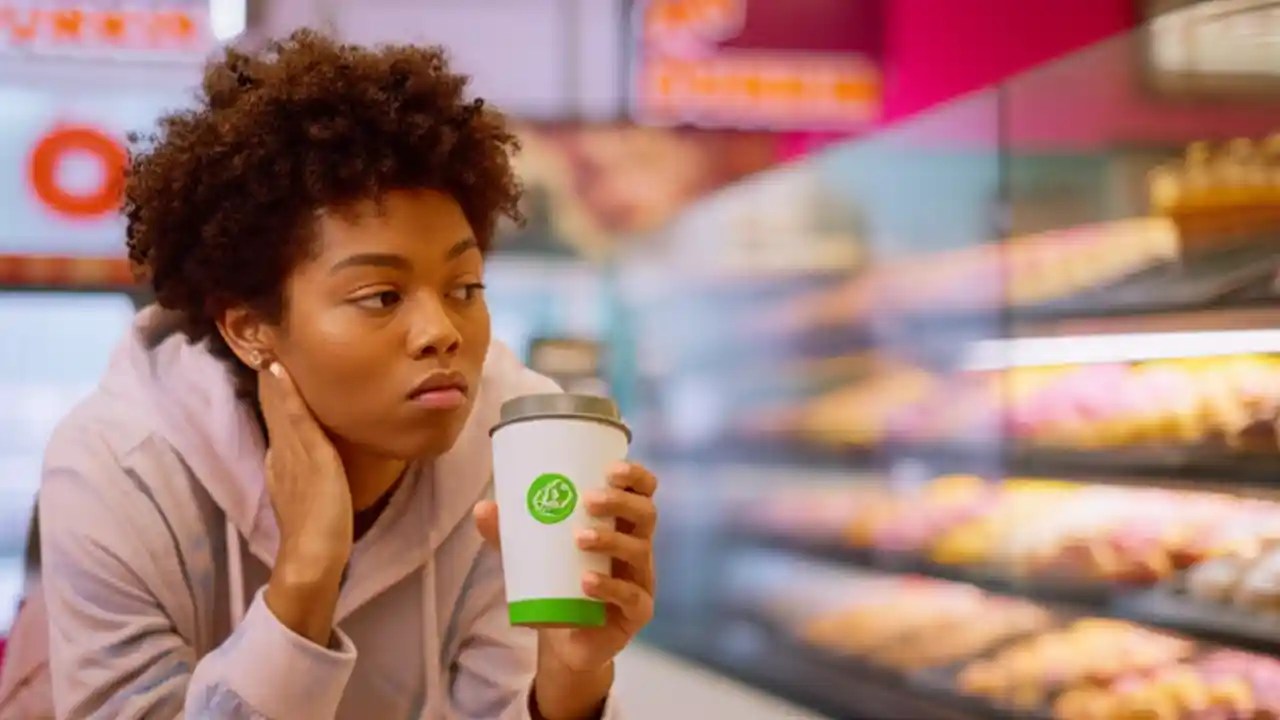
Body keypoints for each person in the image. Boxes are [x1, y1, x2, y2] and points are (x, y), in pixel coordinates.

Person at [34, 30, 657, 719]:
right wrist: (303, 581)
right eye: (381, 297)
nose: (443, 332)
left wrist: (569, 682)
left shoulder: (515, 443)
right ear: (248, 328)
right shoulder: (120, 468)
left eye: (464, 288)